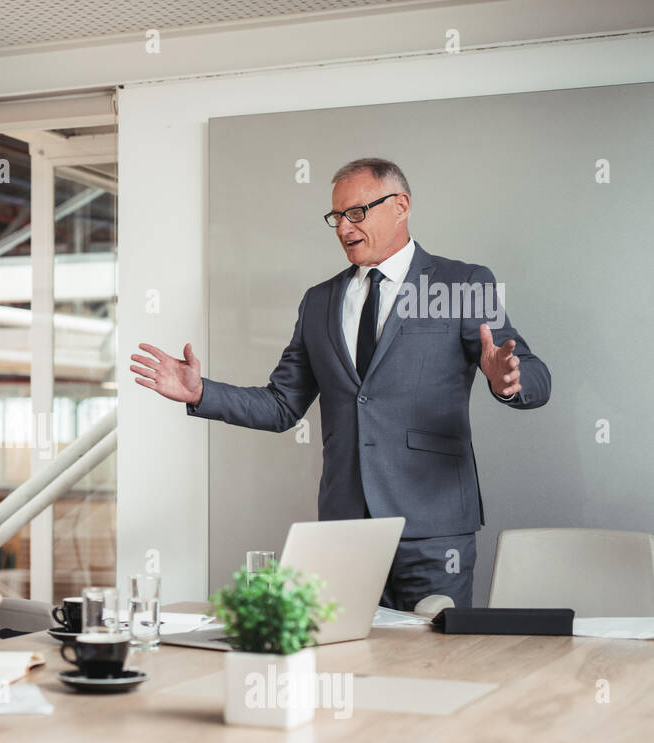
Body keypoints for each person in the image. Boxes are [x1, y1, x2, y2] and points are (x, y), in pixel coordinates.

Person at [131, 158, 551, 610]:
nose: (343, 228)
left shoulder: (460, 282)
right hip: (345, 529)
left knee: (436, 666)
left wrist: (507, 380)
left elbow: (534, 376)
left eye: (357, 213)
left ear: (401, 206)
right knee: (347, 660)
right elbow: (281, 406)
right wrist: (201, 392)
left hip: (433, 529)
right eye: (336, 218)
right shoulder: (320, 301)